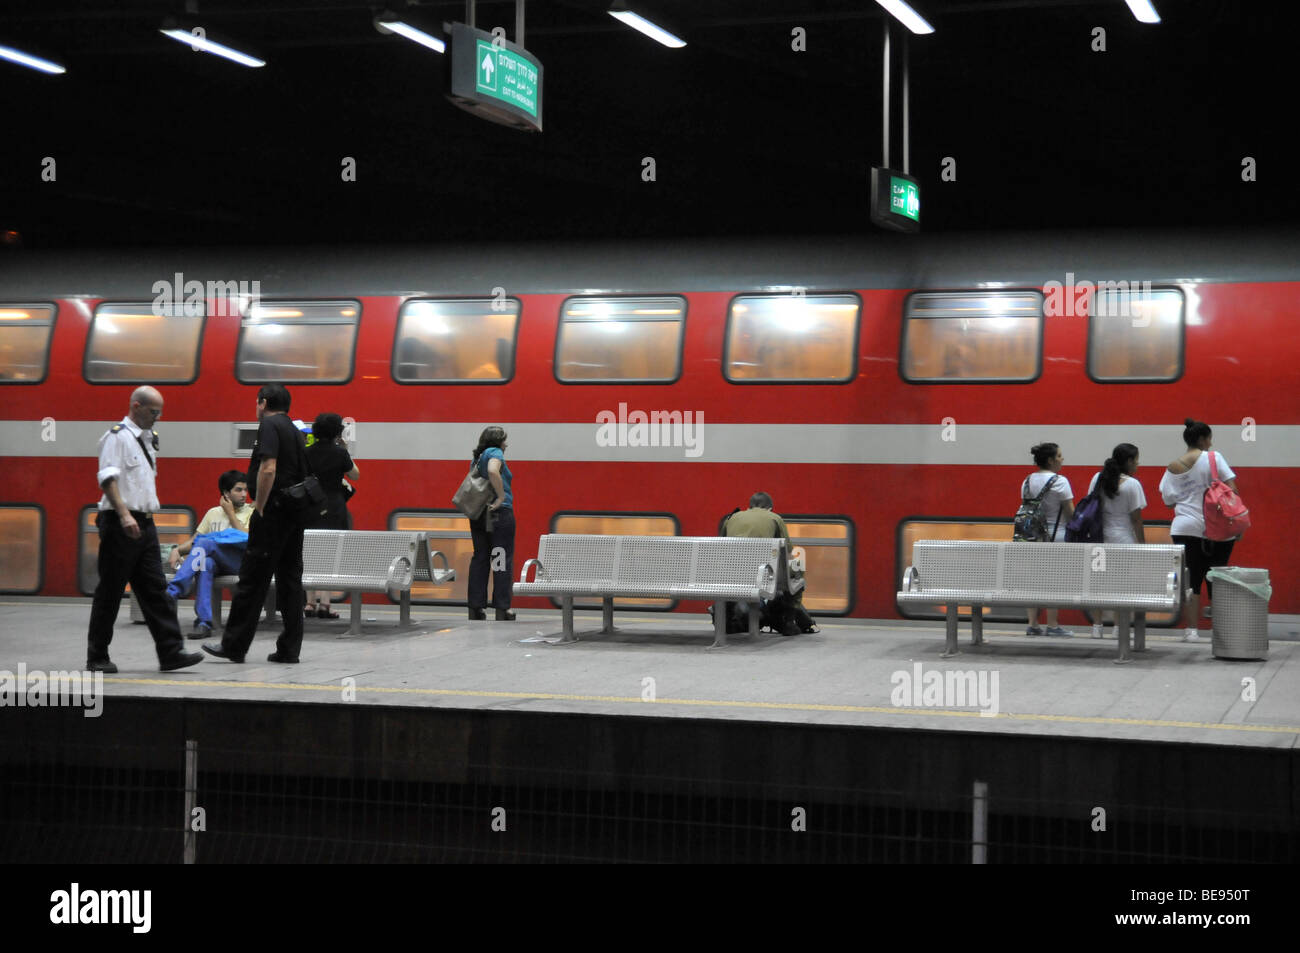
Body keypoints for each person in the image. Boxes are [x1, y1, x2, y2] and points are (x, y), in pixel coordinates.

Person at [85, 386, 203, 673]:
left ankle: (171, 653)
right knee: (110, 591)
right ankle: (97, 656)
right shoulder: (117, 437)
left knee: (155, 590)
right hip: (121, 523)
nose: (157, 417)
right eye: (153, 411)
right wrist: (124, 515)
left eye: (159, 412)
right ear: (136, 406)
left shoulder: (147, 439)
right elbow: (108, 479)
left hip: (145, 523)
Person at [203, 384, 309, 664]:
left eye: (256, 403)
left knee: (252, 580)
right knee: (290, 581)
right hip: (293, 514)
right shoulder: (294, 430)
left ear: (263, 402)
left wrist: (259, 506)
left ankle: (234, 646)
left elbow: (268, 468)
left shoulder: (270, 425)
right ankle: (289, 649)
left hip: (273, 513)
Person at [1158, 418, 1240, 643]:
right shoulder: (1214, 458)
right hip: (1218, 528)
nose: (1211, 443)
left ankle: (1191, 631)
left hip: (1185, 527)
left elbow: (1168, 502)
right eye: (1209, 439)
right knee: (1218, 578)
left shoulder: (1172, 467)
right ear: (1202, 439)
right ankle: (1220, 633)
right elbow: (1233, 491)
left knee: (1192, 578)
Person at [166, 469, 255, 638]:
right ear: (226, 493)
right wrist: (177, 550)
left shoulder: (251, 512)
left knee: (205, 543)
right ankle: (204, 623)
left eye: (245, 490)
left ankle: (173, 592)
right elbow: (195, 540)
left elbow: (248, 538)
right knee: (205, 563)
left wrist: (230, 513)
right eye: (238, 490)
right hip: (216, 563)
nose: (244, 494)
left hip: (240, 563)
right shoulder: (213, 513)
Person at [721, 492, 817, 636]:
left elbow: (722, 545)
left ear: (750, 506)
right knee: (798, 568)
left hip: (732, 573)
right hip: (763, 574)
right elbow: (788, 552)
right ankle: (789, 622)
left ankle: (728, 621)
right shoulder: (775, 518)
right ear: (770, 508)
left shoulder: (732, 518)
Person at [1085, 443, 1146, 638]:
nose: (1138, 464)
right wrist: (1142, 544)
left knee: (1097, 584)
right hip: (1123, 541)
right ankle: (1119, 628)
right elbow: (1136, 520)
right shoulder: (1133, 484)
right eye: (1136, 460)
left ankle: (1097, 627)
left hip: (1099, 539)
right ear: (1128, 461)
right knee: (1122, 585)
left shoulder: (1098, 478)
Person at [304, 412, 359, 618]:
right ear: (337, 432)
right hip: (334, 507)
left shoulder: (306, 452)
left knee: (309, 552)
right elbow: (355, 475)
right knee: (330, 554)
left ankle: (310, 603)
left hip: (310, 504)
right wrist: (345, 450)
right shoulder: (339, 453)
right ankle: (325, 604)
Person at [1022, 442, 1075, 637]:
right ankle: (1052, 625)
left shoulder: (1027, 481)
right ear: (1051, 460)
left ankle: (1033, 624)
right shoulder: (1060, 481)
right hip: (1056, 536)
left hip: (1032, 537)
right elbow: (1070, 513)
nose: (1062, 459)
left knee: (1033, 581)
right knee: (1054, 582)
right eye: (1059, 456)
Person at [467, 426, 515, 621]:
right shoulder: (494, 452)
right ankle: (502, 608)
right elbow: (493, 470)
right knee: (500, 559)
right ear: (496, 442)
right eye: (504, 440)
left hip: (478, 513)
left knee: (480, 558)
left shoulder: (477, 458)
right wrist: (501, 497)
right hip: (498, 513)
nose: (506, 444)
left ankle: (475, 607)